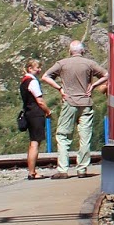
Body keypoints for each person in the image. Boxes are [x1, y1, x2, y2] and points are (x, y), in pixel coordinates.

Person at [41, 40, 108, 178]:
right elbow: (106, 75)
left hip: (69, 102)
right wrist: (94, 86)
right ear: (82, 51)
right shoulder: (89, 64)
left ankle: (63, 169)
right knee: (85, 137)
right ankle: (82, 169)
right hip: (86, 103)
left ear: (70, 51)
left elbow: (45, 77)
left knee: (63, 136)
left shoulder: (62, 63)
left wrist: (60, 88)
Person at [20, 59, 51, 180]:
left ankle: (31, 171)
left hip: (28, 112)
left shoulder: (23, 82)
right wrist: (48, 111)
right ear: (30, 68)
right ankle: (32, 172)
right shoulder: (32, 82)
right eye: (37, 68)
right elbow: (40, 100)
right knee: (35, 143)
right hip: (36, 114)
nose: (39, 70)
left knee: (33, 141)